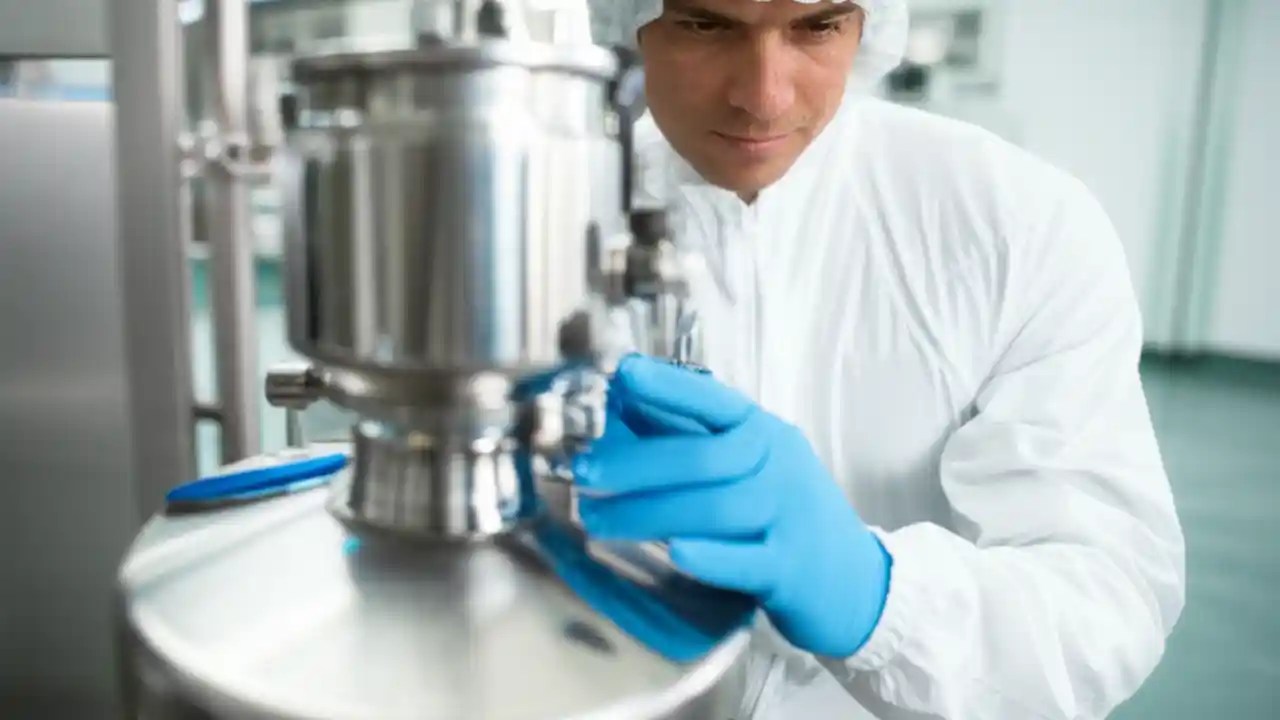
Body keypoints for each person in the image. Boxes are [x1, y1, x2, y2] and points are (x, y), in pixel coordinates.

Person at [581, 1, 1187, 718]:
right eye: (707, 25)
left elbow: (1103, 604)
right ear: (626, 19)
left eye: (818, 25)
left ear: (869, 23)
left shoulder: (1017, 224)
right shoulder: (534, 204)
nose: (764, 97)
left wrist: (876, 598)